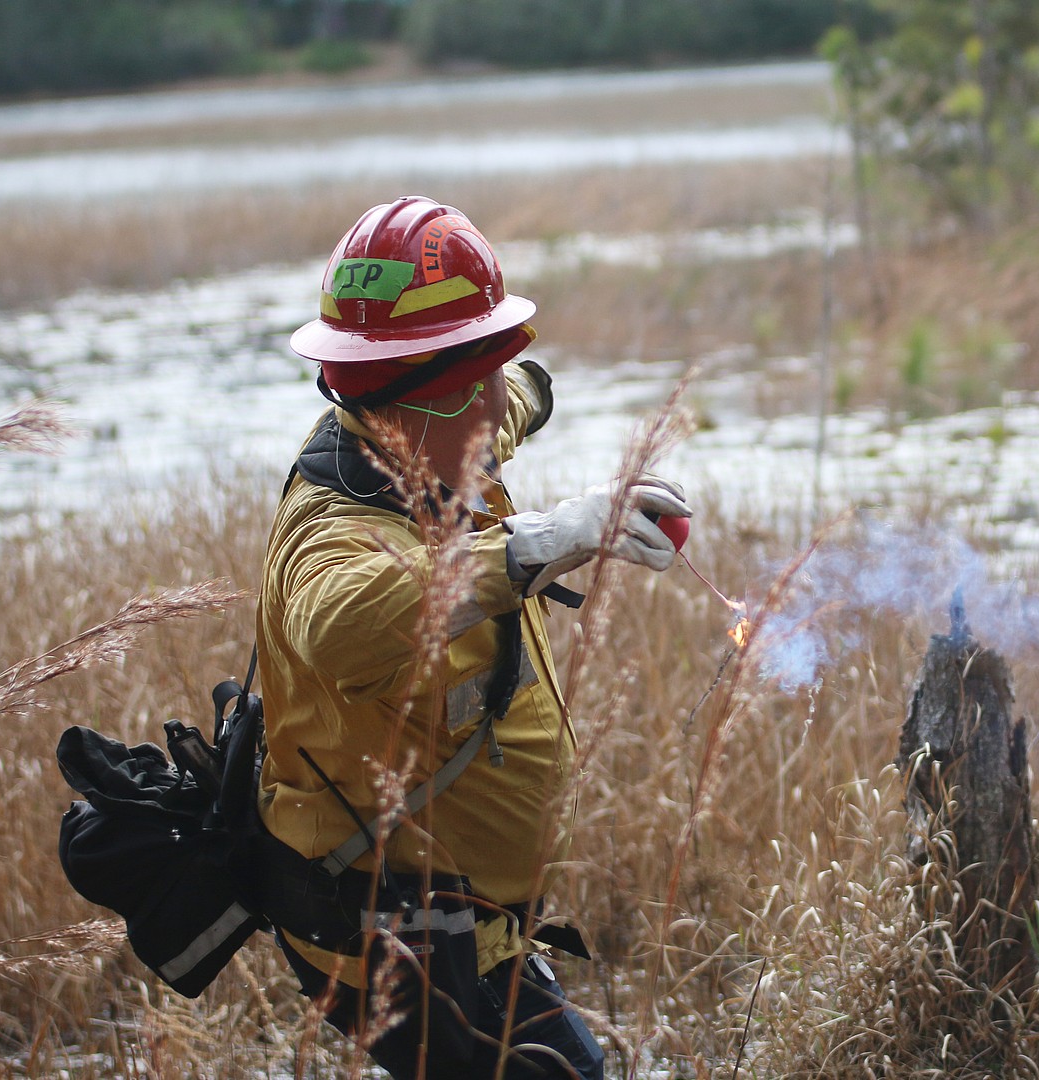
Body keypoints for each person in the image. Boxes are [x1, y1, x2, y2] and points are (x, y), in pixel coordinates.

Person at [254, 195, 688, 1079]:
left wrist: (530, 391)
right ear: (407, 405)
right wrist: (547, 539)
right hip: (392, 937)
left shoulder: (442, 429)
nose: (500, 405)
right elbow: (342, 622)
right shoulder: (332, 537)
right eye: (480, 383)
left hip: (476, 921)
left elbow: (520, 394)